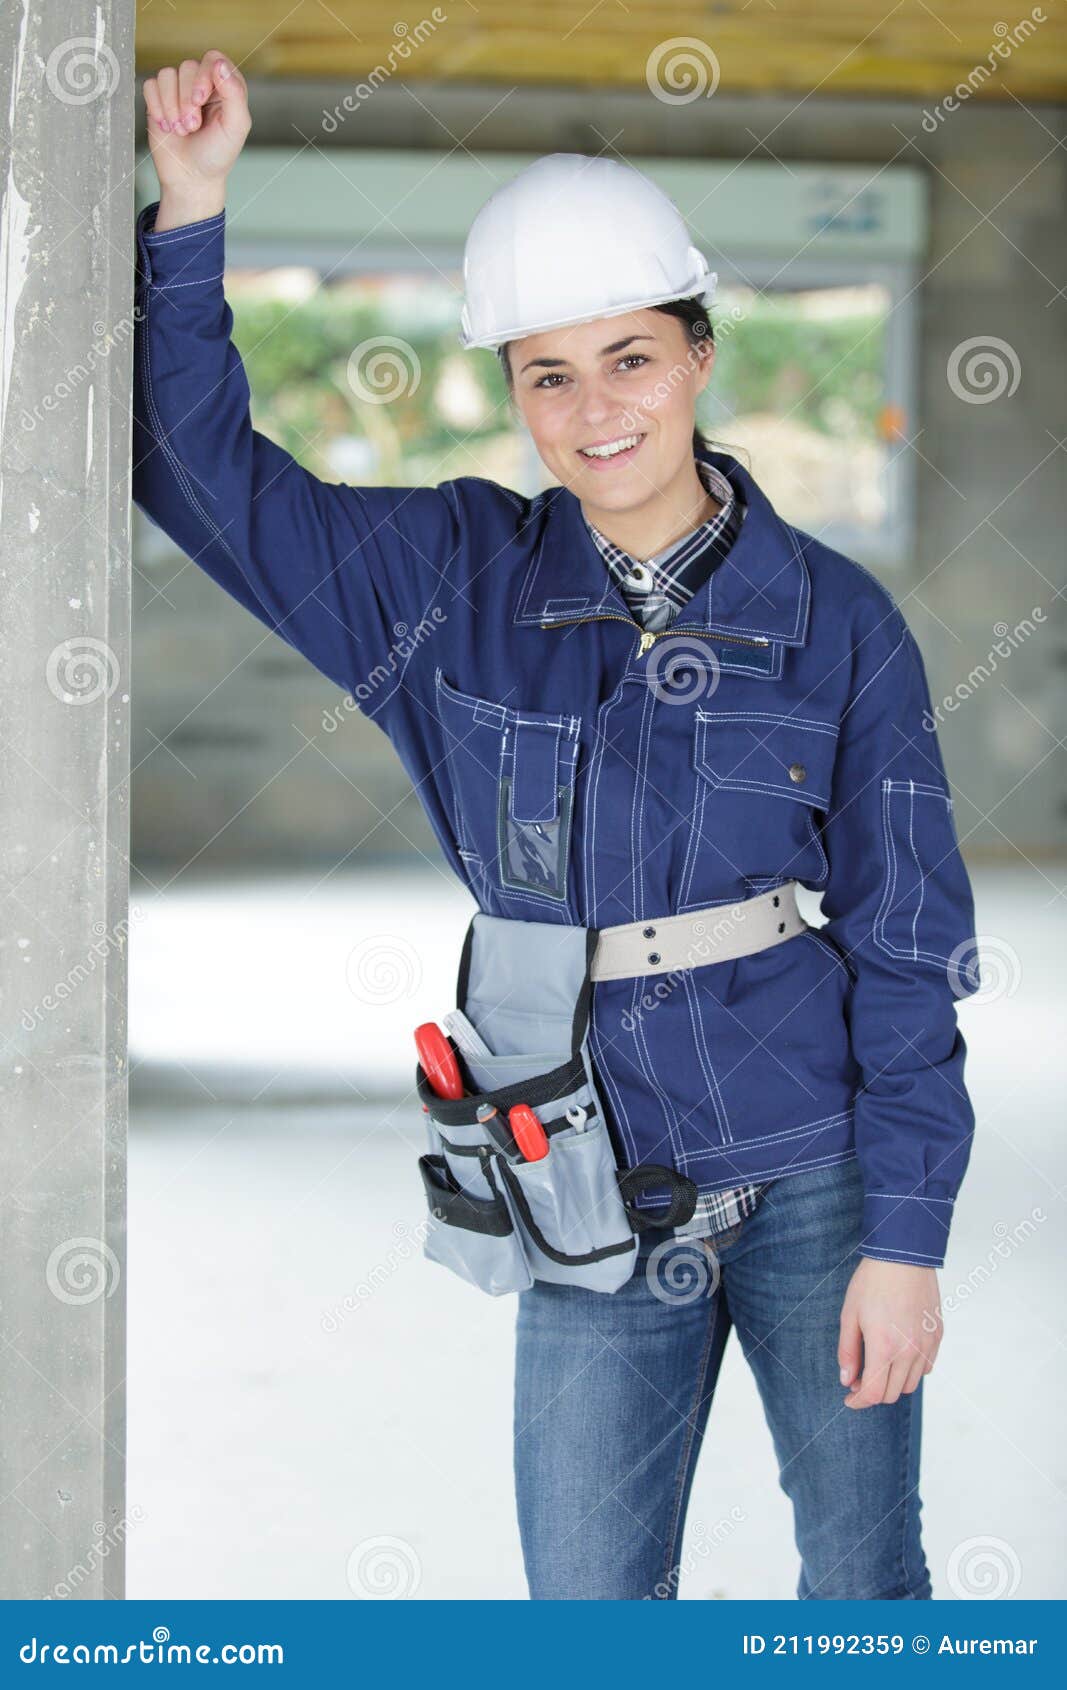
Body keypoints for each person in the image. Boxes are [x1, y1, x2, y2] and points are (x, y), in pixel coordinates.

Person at [135, 51, 981, 1601]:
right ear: (511, 388)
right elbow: (199, 478)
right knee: (589, 1611)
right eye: (548, 373)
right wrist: (190, 209)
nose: (596, 412)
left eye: (632, 359)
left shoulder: (838, 624)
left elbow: (913, 935)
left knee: (868, 1588)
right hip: (586, 1177)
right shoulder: (447, 586)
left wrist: (910, 1234)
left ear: (700, 357)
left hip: (819, 1171)